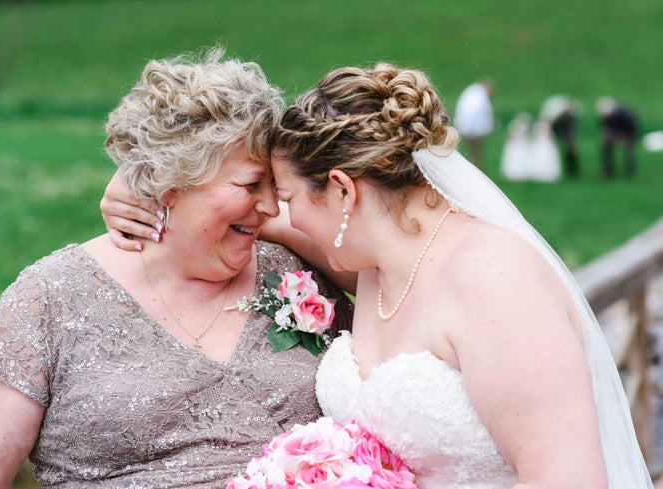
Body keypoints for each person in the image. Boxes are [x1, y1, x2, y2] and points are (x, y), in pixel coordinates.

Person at [104, 62, 654, 488]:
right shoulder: (379, 263)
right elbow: (236, 219)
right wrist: (145, 190)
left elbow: (567, 478)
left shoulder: (493, 277)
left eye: (291, 197)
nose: (276, 212)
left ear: (343, 190)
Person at [0, 49, 353, 488]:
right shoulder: (52, 297)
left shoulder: (301, 270)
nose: (272, 207)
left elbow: (407, 276)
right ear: (172, 185)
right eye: (252, 184)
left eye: (274, 185)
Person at [452, 80, 494, 170]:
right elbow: (477, 113)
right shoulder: (479, 96)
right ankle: (475, 170)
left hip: (467, 128)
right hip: (472, 130)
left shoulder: (472, 93)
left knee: (471, 152)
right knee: (474, 153)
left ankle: (473, 169)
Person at [596, 96, 638, 178]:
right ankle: (609, 170)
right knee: (606, 147)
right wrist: (606, 135)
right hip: (616, 132)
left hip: (628, 131)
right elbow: (607, 127)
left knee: (629, 150)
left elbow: (631, 126)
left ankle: (630, 171)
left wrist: (624, 136)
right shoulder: (605, 116)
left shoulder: (624, 115)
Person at [540, 94, 579, 178]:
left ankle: (574, 171)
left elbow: (573, 129)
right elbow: (558, 129)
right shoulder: (561, 118)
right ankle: (570, 172)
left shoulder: (572, 117)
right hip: (567, 138)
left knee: (572, 156)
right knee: (568, 156)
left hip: (570, 139)